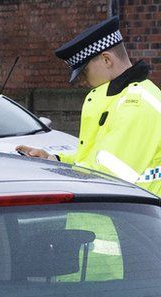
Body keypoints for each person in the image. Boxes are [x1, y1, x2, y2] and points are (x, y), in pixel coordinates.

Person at [17, 16, 161, 193]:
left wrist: (57, 171)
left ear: (107, 60)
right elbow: (94, 158)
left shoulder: (135, 105)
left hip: (124, 218)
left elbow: (107, 176)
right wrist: (56, 159)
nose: (83, 82)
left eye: (84, 72)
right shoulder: (123, 98)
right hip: (118, 216)